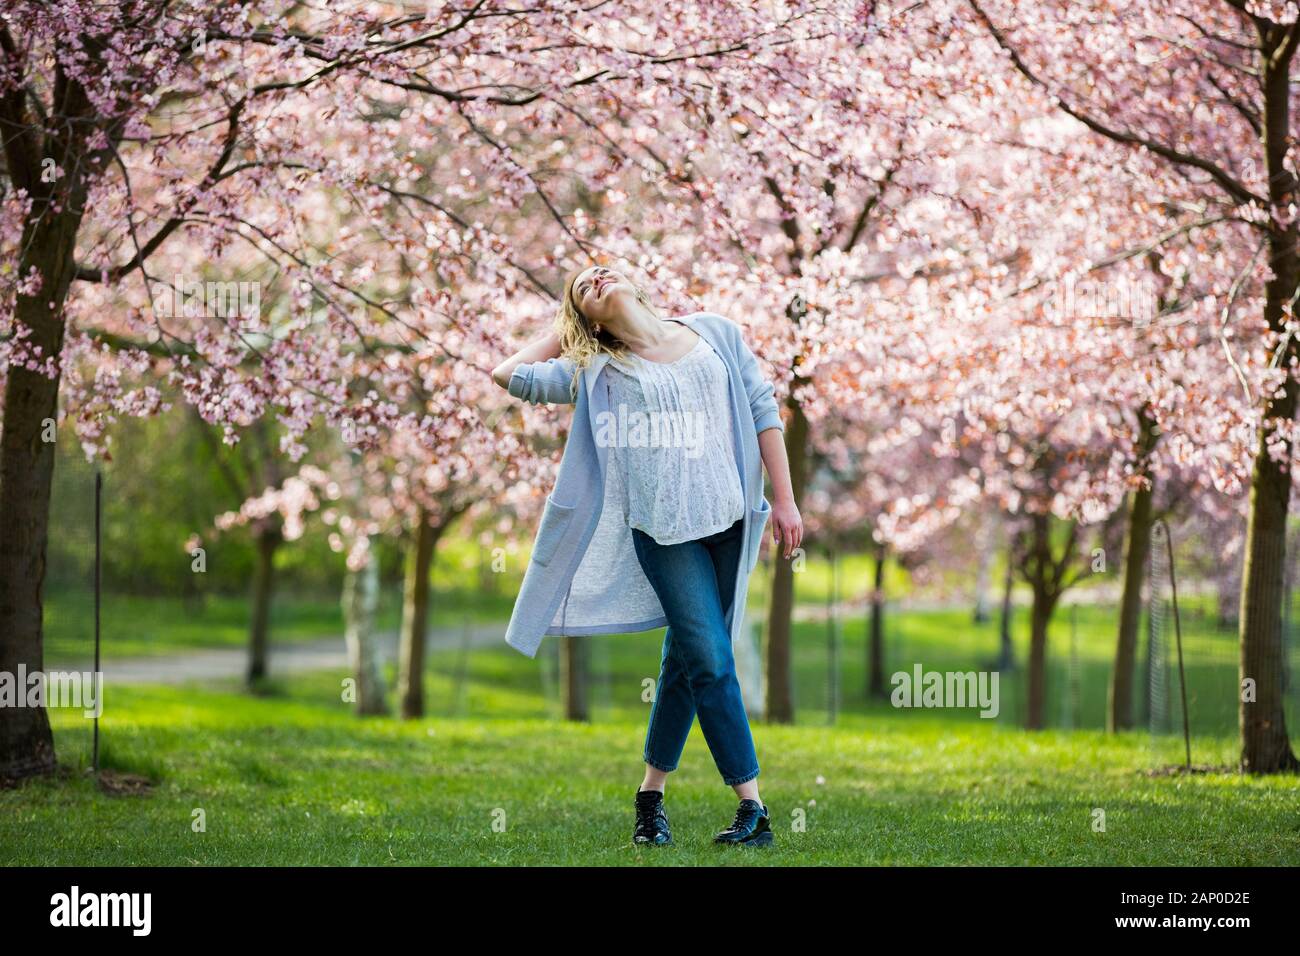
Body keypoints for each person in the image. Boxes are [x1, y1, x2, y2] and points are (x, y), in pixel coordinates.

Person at [491, 265, 803, 848]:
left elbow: (763, 410)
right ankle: (753, 807)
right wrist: (568, 325)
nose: (595, 278)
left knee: (684, 663)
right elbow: (508, 374)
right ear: (585, 318)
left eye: (601, 270)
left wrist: (784, 501)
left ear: (635, 281)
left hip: (730, 521)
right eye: (582, 287)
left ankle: (649, 799)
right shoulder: (596, 369)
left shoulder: (715, 333)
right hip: (663, 534)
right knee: (710, 658)